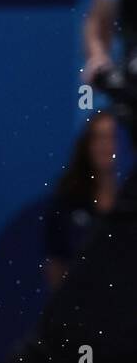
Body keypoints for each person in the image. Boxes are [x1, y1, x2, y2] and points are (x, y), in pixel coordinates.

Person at [45, 110, 119, 291]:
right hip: (80, 308)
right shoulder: (68, 202)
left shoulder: (129, 200)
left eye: (111, 138)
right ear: (87, 145)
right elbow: (56, 263)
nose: (105, 146)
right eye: (99, 138)